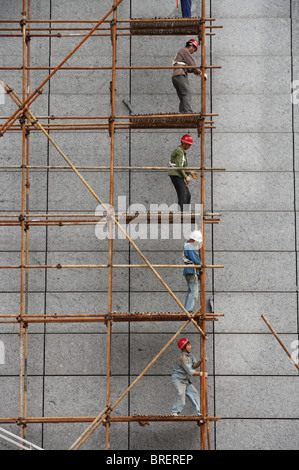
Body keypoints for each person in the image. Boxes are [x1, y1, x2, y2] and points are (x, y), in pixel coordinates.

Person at [171, 338, 206, 416]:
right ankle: (174, 412)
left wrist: (201, 361)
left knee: (195, 394)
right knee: (181, 394)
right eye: (188, 345)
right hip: (178, 380)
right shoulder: (182, 357)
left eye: (190, 344)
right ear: (183, 347)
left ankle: (196, 413)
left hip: (186, 380)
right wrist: (201, 373)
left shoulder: (191, 355)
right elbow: (190, 371)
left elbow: (194, 365)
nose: (190, 346)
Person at [172, 39, 207, 114]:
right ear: (191, 46)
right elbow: (192, 64)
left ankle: (182, 112)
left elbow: (189, 68)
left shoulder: (181, 54)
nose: (193, 52)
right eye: (194, 49)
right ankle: (188, 112)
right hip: (180, 74)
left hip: (175, 76)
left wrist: (196, 72)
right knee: (187, 93)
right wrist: (201, 73)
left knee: (182, 96)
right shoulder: (185, 51)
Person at [168, 134, 198, 211]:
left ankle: (185, 212)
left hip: (178, 174)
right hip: (175, 175)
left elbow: (181, 166)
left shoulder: (182, 152)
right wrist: (186, 176)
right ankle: (182, 213)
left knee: (187, 195)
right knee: (183, 194)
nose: (189, 147)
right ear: (185, 144)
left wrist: (190, 172)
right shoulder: (179, 151)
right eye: (189, 145)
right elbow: (178, 166)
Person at [183, 230, 202, 313]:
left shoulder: (187, 245)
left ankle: (187, 309)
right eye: (197, 241)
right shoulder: (190, 247)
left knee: (191, 291)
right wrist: (201, 265)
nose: (198, 244)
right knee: (194, 292)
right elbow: (196, 260)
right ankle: (188, 310)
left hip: (188, 270)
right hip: (192, 271)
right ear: (194, 240)